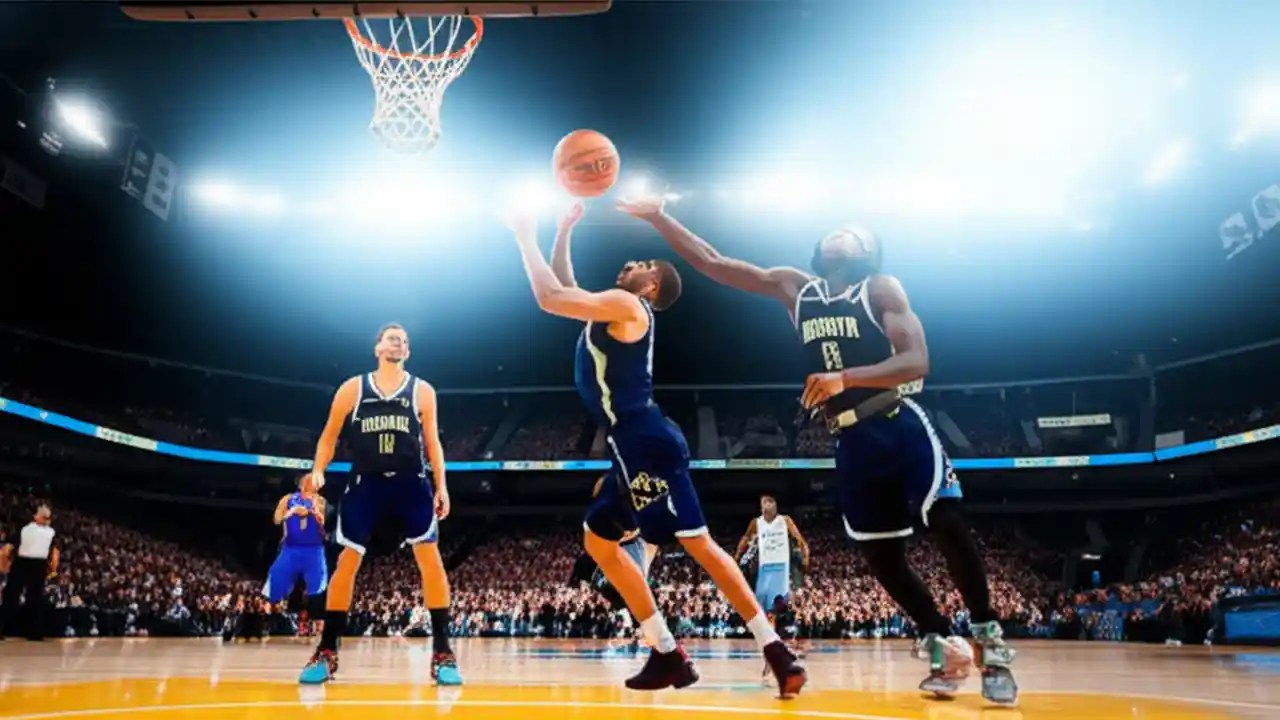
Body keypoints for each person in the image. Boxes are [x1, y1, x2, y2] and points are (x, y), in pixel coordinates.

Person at [618, 194, 1017, 705]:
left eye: (852, 232)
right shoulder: (796, 288)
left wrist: (843, 377)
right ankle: (940, 639)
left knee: (947, 523)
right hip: (850, 437)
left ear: (868, 250)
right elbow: (714, 264)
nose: (840, 233)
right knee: (881, 555)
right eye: (834, 230)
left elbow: (917, 359)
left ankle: (990, 641)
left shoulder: (879, 288)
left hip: (897, 420)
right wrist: (657, 217)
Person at [507, 201, 806, 697]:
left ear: (651, 288)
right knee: (599, 540)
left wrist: (524, 234)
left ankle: (776, 649)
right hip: (627, 446)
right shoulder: (610, 307)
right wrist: (562, 231)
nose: (630, 263)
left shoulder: (629, 308)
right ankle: (666, 651)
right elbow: (567, 288)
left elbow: (549, 296)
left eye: (642, 264)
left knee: (697, 543)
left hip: (645, 439)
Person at [298, 323, 461, 686]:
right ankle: (327, 650)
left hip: (411, 483)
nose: (398, 343)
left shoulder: (423, 391)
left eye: (403, 340)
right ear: (377, 347)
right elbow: (328, 437)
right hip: (366, 483)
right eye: (392, 338)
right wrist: (318, 470)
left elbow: (433, 443)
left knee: (431, 560)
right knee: (346, 562)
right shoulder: (353, 388)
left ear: (408, 351)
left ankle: (443, 651)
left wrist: (442, 487)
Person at [263, 473, 329, 631]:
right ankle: (268, 619)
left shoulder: (320, 501)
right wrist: (290, 512)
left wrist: (312, 512)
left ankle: (319, 625)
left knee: (318, 587)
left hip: (313, 548)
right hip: (291, 547)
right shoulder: (288, 499)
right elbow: (277, 519)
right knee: (276, 579)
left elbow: (323, 523)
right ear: (301, 484)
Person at [735, 494, 809, 615]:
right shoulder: (756, 522)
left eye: (770, 503)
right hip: (765, 565)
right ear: (761, 508)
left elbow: (799, 539)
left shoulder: (785, 520)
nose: (767, 506)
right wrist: (737, 556)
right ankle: (763, 627)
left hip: (781, 565)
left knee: (781, 603)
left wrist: (805, 554)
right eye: (764, 504)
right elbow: (745, 539)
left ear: (775, 507)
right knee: (761, 601)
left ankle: (780, 625)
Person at [0, 504, 58, 641]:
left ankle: (34, 631)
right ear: (36, 516)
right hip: (22, 562)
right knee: (11, 596)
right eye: (43, 516)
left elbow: (53, 551)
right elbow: (9, 546)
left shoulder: (51, 532)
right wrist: (4, 563)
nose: (46, 519)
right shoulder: (24, 528)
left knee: (35, 598)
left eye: (48, 517)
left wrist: (52, 568)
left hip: (39, 564)